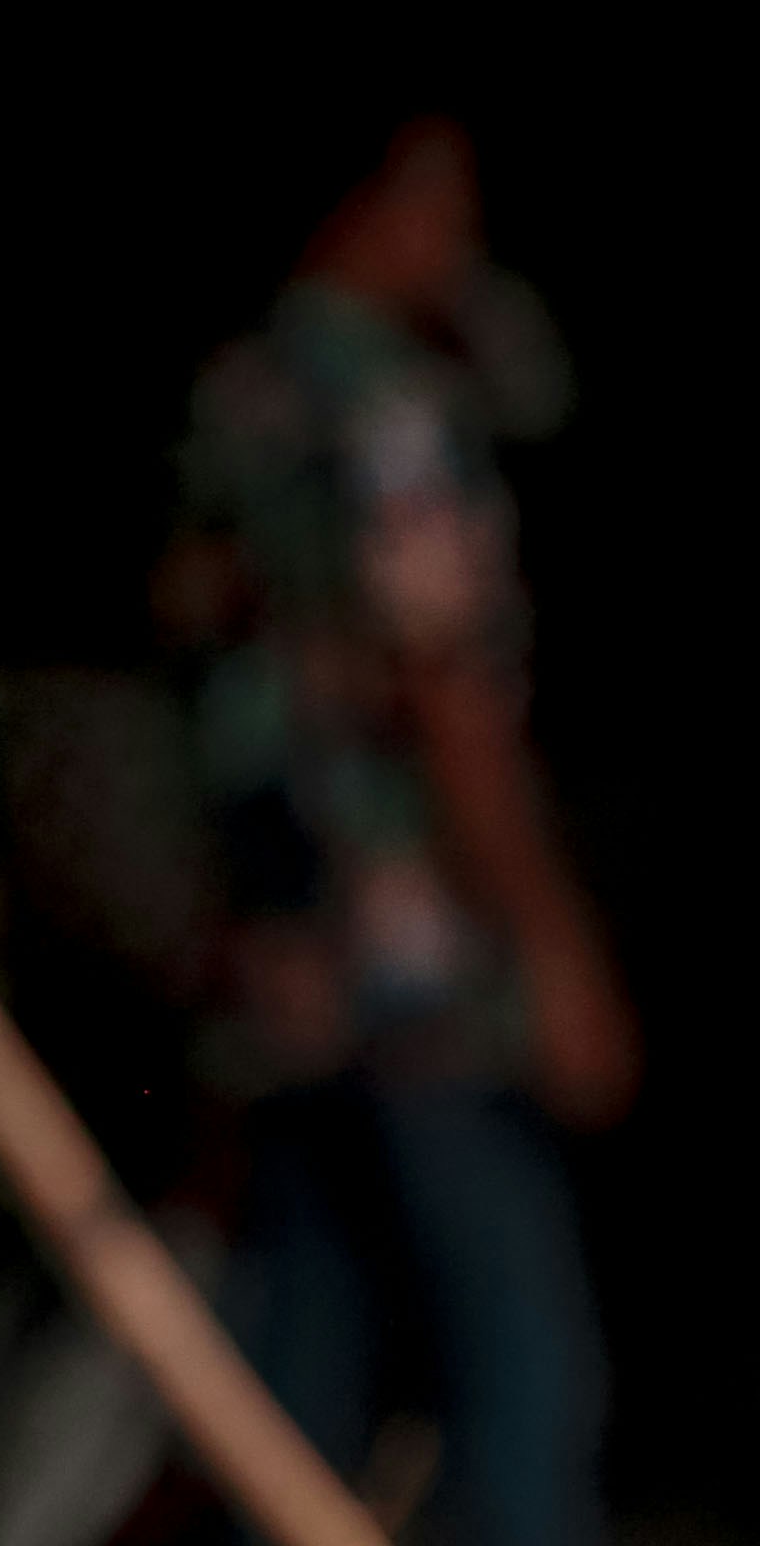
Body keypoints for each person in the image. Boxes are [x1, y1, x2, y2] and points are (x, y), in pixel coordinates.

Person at [162, 116, 634, 1546]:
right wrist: (557, 952)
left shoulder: (240, 399)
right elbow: (452, 702)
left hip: (287, 969)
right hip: (414, 958)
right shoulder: (386, 414)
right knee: (526, 1377)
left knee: (297, 1378)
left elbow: (193, 620)